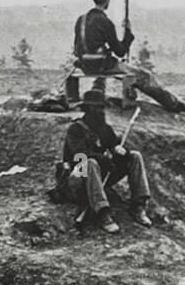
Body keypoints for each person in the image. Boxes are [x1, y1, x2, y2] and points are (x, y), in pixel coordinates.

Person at [68, 0, 185, 114]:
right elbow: (120, 52)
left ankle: (98, 91)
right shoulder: (105, 22)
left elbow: (77, 48)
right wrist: (128, 34)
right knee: (145, 76)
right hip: (102, 66)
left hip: (85, 65)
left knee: (106, 66)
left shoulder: (81, 20)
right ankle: (175, 105)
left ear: (95, 0)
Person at [54, 89, 152, 234]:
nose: (101, 111)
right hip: (77, 180)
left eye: (102, 107)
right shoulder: (75, 129)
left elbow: (115, 145)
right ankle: (102, 213)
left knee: (134, 156)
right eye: (96, 107)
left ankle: (138, 206)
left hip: (97, 178)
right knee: (90, 162)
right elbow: (80, 156)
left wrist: (120, 151)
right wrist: (103, 159)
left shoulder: (104, 129)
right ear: (87, 109)